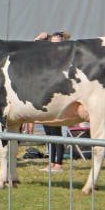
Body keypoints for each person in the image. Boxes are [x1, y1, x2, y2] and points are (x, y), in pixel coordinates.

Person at [35, 30, 71, 173]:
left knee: (56, 132)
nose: (54, 46)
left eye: (57, 43)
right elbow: (32, 49)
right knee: (49, 131)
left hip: (57, 98)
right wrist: (39, 38)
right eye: (52, 43)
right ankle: (51, 162)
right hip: (45, 96)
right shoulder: (47, 57)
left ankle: (59, 164)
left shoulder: (64, 59)